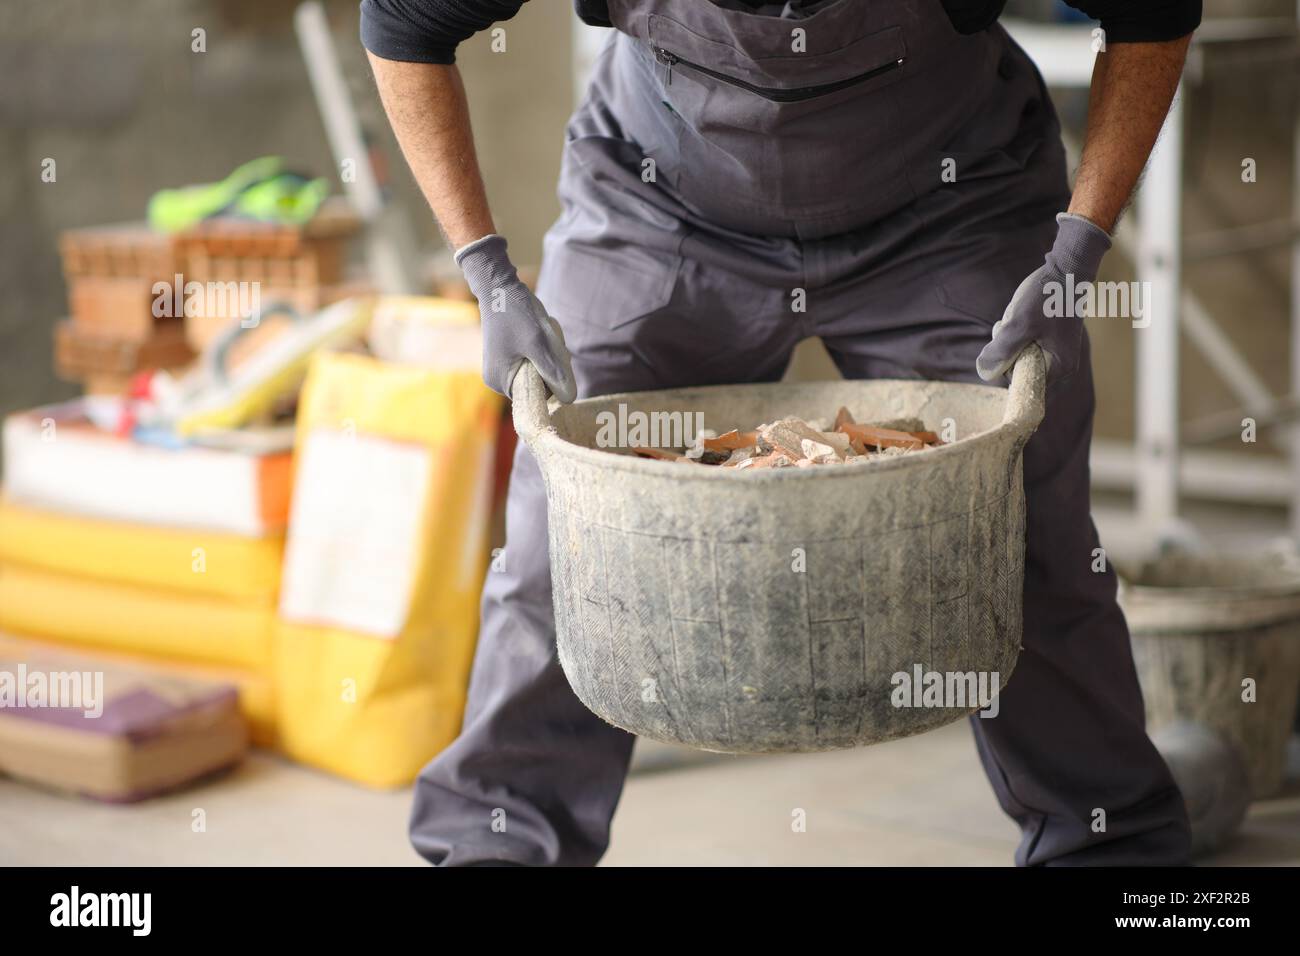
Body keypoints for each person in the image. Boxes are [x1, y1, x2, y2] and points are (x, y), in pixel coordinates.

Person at [362, 0, 1200, 866]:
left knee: (1023, 523)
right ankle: (498, 841)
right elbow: (401, 28)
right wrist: (487, 273)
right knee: (569, 531)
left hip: (950, 205)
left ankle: (1113, 846)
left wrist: (1076, 257)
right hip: (661, 209)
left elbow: (1156, 13)